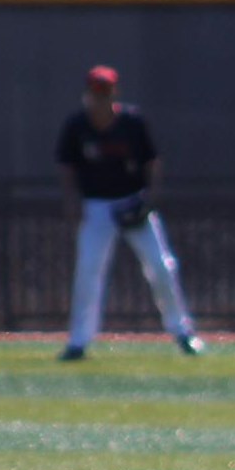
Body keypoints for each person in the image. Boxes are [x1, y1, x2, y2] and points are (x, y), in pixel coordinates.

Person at [53, 65, 203, 361]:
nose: (100, 98)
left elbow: (152, 162)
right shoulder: (77, 125)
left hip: (132, 201)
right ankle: (78, 341)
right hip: (96, 206)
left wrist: (150, 200)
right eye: (96, 92)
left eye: (105, 92)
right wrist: (71, 201)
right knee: (88, 271)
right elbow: (66, 166)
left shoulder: (132, 122)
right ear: (87, 94)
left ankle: (183, 332)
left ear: (114, 93)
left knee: (161, 267)